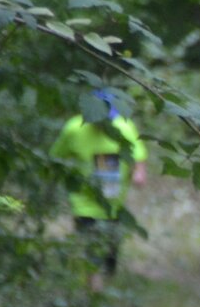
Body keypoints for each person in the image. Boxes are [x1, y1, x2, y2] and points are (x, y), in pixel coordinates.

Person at [50, 93, 147, 285]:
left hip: (113, 201)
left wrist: (138, 173)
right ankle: (92, 287)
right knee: (90, 244)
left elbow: (139, 155)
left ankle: (106, 286)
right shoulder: (73, 128)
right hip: (83, 201)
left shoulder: (124, 128)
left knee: (111, 249)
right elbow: (56, 157)